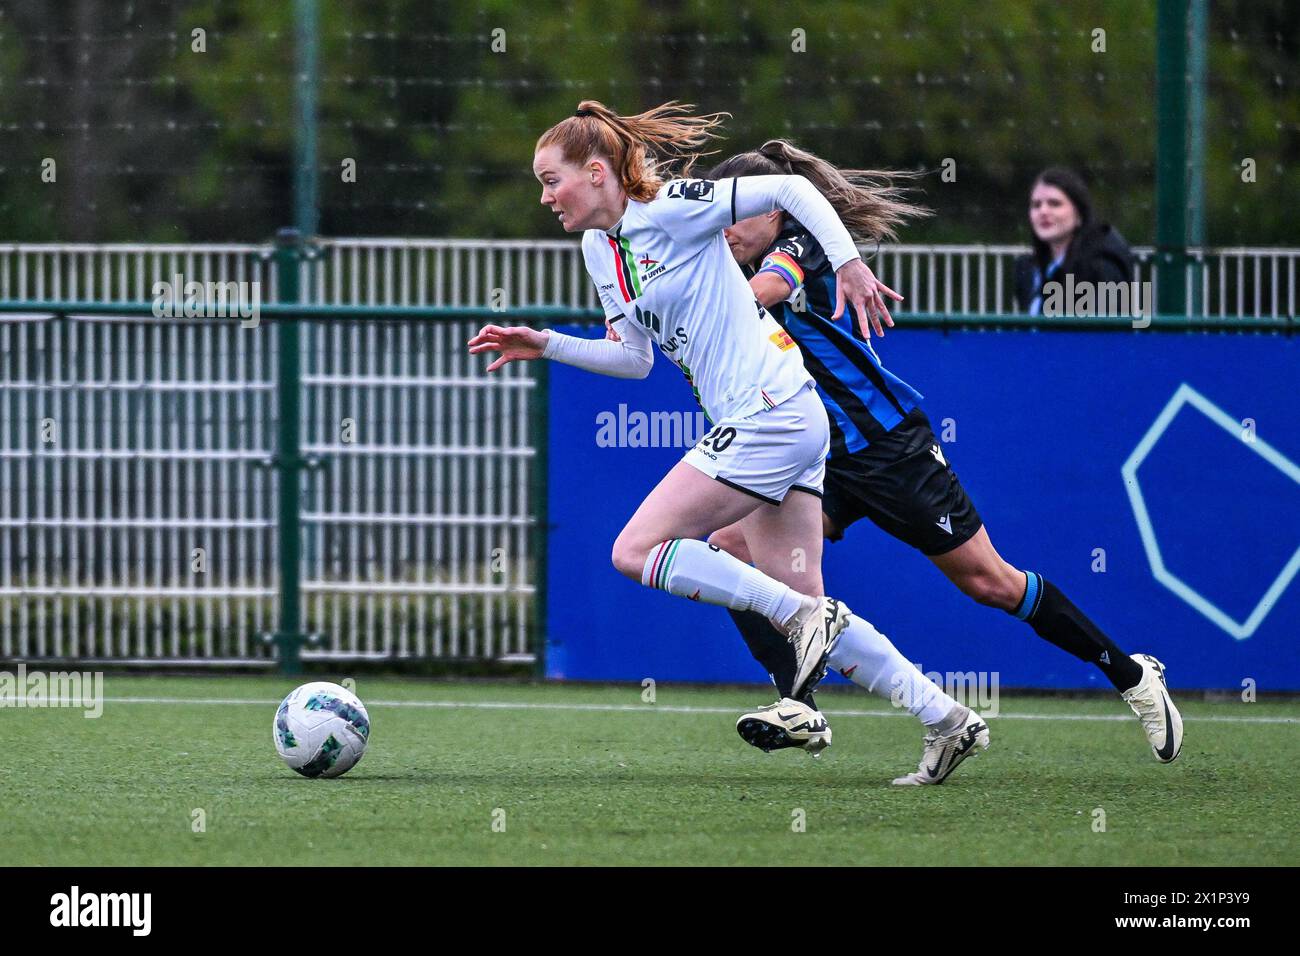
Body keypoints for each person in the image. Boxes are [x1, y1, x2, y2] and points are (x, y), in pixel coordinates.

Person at [469, 101, 989, 784]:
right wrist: (546, 345)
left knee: (635, 550)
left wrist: (851, 264)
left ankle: (802, 619)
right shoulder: (600, 248)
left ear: (596, 173)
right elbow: (633, 358)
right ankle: (947, 718)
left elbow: (790, 188)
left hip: (768, 413)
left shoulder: (670, 207)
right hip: (782, 419)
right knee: (803, 596)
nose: (545, 197)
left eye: (550, 179)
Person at [698, 141, 1182, 776]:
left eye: (740, 213)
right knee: (731, 548)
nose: (727, 227)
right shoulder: (731, 263)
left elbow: (765, 293)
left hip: (888, 447)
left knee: (989, 582)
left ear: (776, 211)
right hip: (815, 455)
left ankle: (1131, 674)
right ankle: (798, 704)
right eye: (719, 214)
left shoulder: (801, 241)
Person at [1014, 167, 1136, 315]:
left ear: (1079, 214)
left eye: (1054, 203)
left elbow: (1106, 329)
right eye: (1036, 205)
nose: (1043, 212)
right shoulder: (1028, 268)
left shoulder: (1102, 264)